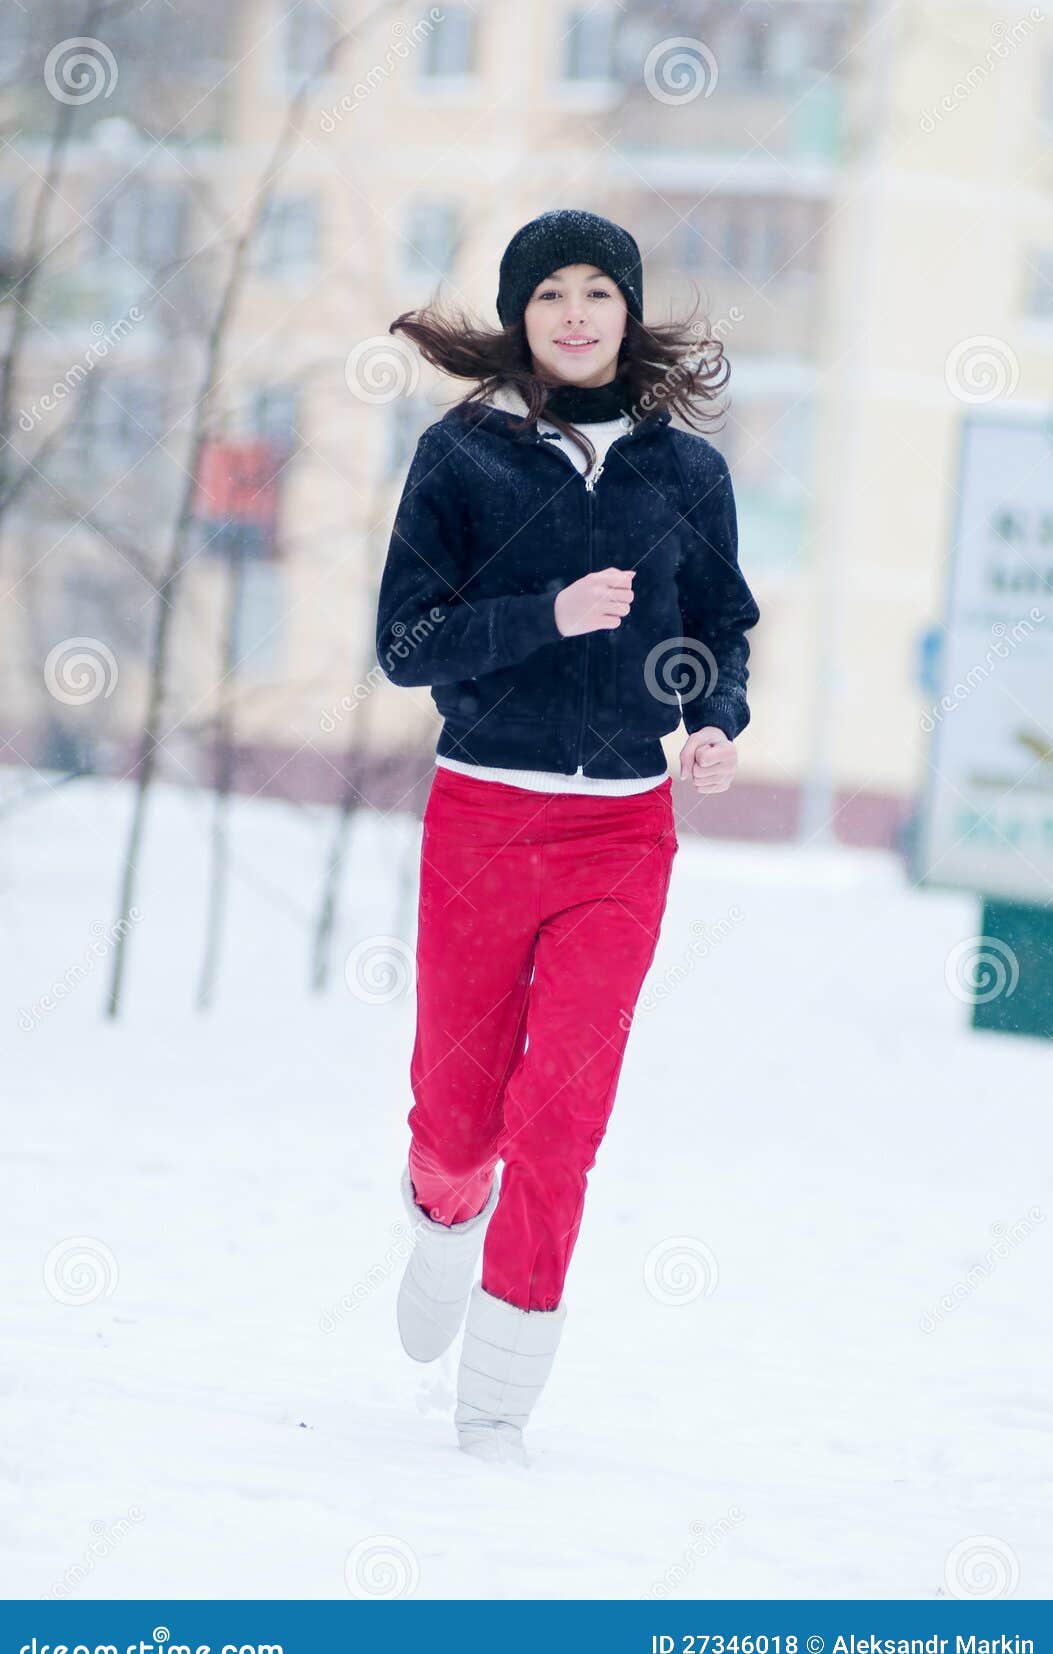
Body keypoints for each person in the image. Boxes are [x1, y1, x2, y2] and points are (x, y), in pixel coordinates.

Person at [375, 209, 760, 1467]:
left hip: (620, 837)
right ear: (519, 316)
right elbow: (406, 645)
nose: (578, 313)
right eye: (552, 294)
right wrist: (547, 612)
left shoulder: (683, 473)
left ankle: (503, 1382)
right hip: (485, 816)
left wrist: (711, 715)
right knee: (460, 1114)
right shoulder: (462, 458)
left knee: (565, 1116)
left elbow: (718, 623)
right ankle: (441, 1208)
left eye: (601, 291)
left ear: (629, 312)